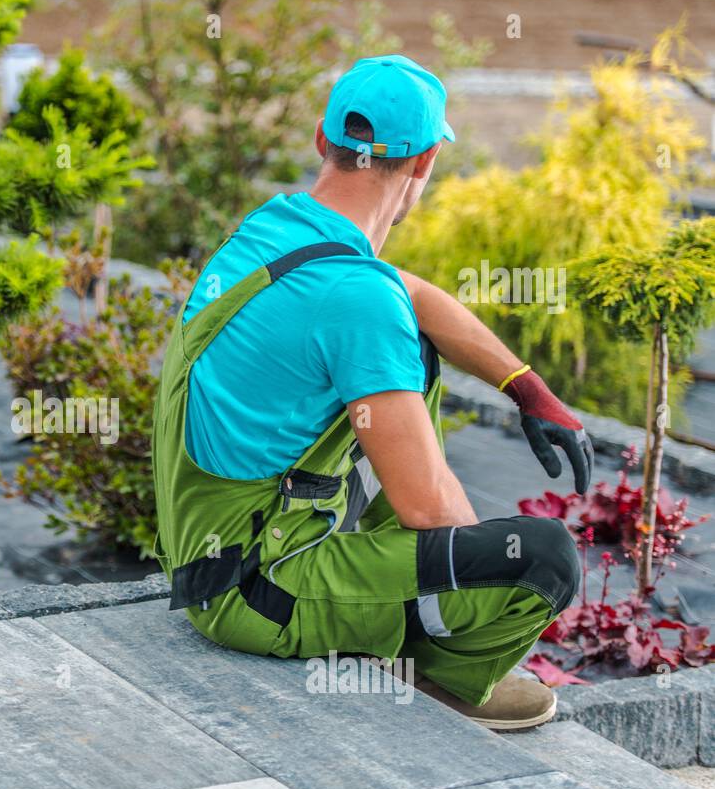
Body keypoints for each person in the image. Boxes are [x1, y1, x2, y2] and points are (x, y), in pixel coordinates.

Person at [151, 55, 594, 731]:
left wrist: (524, 385)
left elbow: (407, 293)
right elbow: (427, 506)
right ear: (426, 163)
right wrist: (478, 573)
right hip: (262, 593)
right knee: (542, 560)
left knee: (414, 342)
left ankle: (393, 615)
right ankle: (442, 675)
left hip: (216, 556)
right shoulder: (355, 296)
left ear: (324, 142)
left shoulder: (278, 229)